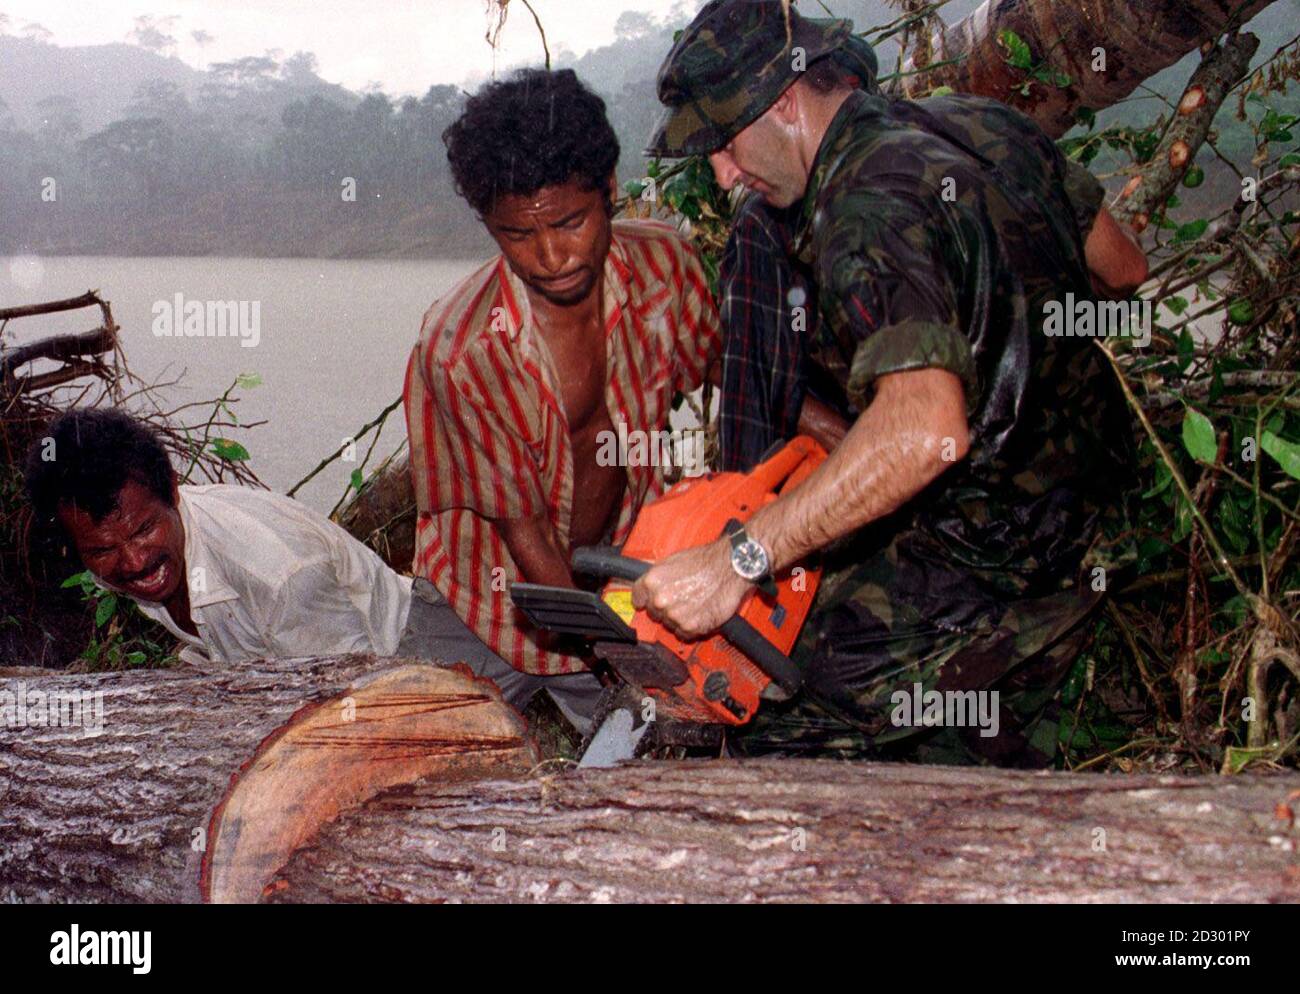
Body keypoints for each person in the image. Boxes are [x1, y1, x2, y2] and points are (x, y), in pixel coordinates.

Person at [635, 0, 1149, 766]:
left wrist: (738, 558)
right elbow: (1123, 269)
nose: (720, 171)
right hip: (1108, 505)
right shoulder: (980, 124)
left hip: (998, 549)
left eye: (724, 141)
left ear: (783, 101)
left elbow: (923, 432)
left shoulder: (862, 209)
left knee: (755, 709)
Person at [403, 68, 722, 730]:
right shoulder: (464, 349)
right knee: (407, 765)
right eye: (517, 235)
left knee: (673, 763)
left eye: (571, 222)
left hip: (615, 573)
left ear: (609, 190)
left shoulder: (667, 267)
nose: (550, 257)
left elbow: (734, 379)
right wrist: (611, 654)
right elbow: (523, 533)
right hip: (482, 603)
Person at [24, 409, 536, 715]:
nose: (133, 561)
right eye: (103, 551)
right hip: (325, 655)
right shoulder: (131, 540)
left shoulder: (276, 572)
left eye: (143, 530)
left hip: (424, 646)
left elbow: (356, 701)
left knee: (572, 670)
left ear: (174, 493)